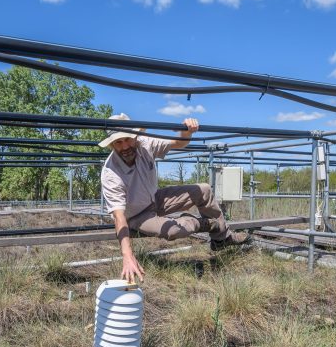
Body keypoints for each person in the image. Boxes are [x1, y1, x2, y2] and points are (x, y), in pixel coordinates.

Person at [99, 113, 247, 283]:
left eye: (128, 139)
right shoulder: (111, 173)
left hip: (154, 198)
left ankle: (222, 239)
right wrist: (127, 255)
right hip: (136, 215)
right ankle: (204, 224)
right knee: (174, 230)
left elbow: (178, 143)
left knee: (204, 190)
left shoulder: (145, 144)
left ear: (136, 137)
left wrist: (186, 133)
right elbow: (119, 217)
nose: (125, 146)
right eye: (118, 142)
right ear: (111, 145)